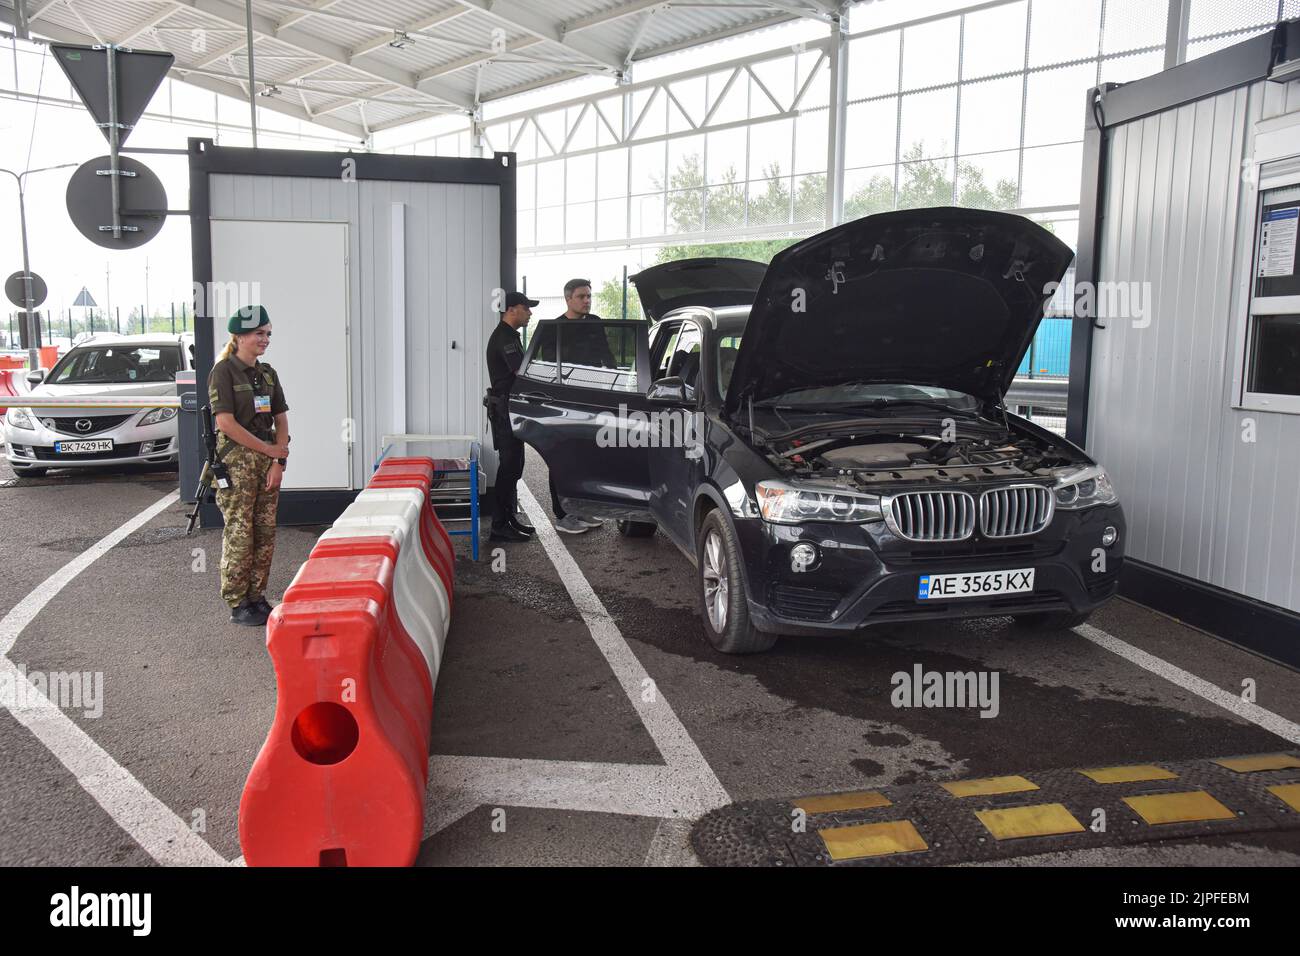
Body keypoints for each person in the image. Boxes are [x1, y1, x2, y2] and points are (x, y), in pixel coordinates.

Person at [207, 306, 290, 626]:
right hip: (237, 462)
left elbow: (281, 418)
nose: (265, 339)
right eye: (259, 333)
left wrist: (278, 460)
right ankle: (238, 602)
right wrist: (268, 449)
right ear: (239, 336)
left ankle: (258, 597)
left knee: (265, 532)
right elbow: (226, 423)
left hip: (267, 462)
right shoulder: (224, 371)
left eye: (268, 333)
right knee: (241, 533)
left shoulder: (267, 373)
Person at [550, 278, 608, 535]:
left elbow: (607, 358)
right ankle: (563, 514)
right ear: (568, 299)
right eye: (582, 296)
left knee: (587, 458)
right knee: (561, 458)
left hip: (592, 401)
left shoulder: (595, 323)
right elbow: (547, 368)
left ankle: (582, 508)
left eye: (589, 296)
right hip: (565, 404)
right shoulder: (556, 329)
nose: (587, 300)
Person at [484, 292, 537, 543]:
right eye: (527, 309)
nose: (530, 313)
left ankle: (508, 518)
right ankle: (498, 526)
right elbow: (521, 371)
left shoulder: (510, 336)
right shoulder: (504, 338)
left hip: (510, 408)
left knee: (515, 467)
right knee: (508, 467)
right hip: (505, 410)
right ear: (513, 309)